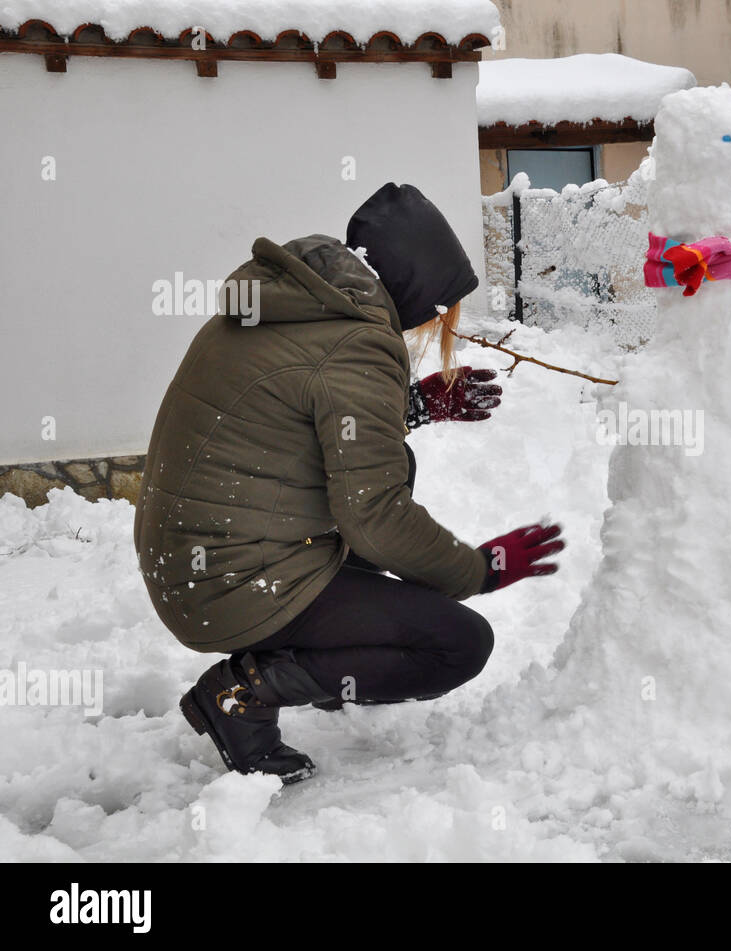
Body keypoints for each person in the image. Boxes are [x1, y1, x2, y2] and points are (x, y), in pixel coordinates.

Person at [133, 183, 564, 783]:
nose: (436, 321)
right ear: (414, 288)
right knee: (458, 644)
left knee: (398, 476)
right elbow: (374, 515)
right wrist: (480, 571)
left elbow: (297, 423)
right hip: (233, 580)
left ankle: (322, 665)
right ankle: (243, 694)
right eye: (440, 308)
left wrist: (411, 407)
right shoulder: (357, 342)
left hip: (194, 563)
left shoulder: (295, 305)